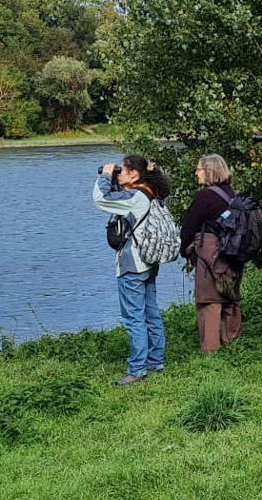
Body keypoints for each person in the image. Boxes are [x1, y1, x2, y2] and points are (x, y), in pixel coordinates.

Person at [93, 154, 173, 385]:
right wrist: (117, 180)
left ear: (134, 174)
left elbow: (100, 199)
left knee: (134, 317)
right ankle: (155, 361)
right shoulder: (151, 193)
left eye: (123, 170)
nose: (119, 173)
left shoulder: (135, 196)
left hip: (134, 265)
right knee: (150, 313)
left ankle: (137, 369)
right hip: (149, 263)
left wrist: (106, 176)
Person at [180, 153, 243, 354]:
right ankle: (233, 343)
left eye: (199, 169)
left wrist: (187, 253)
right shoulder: (233, 194)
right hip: (232, 253)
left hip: (210, 254)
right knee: (230, 297)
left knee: (209, 300)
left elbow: (189, 227)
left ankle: (210, 349)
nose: (196, 173)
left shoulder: (205, 196)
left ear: (209, 171)